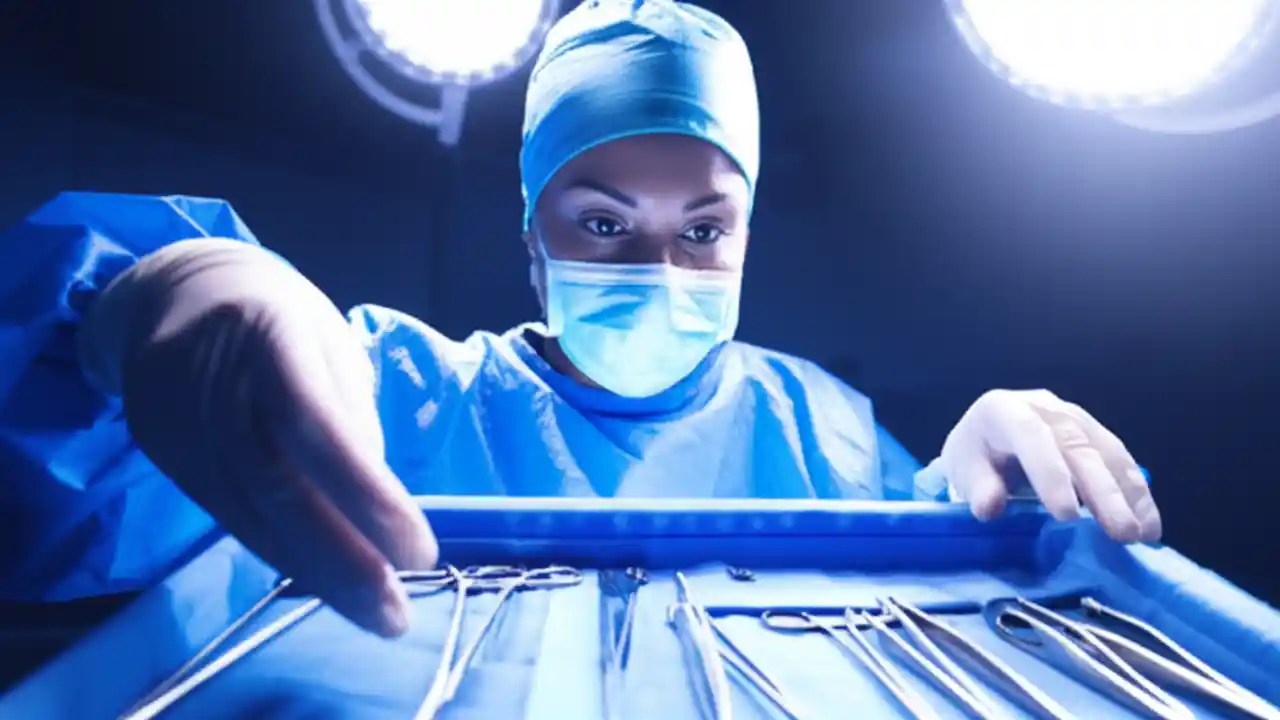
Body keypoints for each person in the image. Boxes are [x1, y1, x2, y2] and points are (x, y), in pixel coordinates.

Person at [0, 0, 1160, 640]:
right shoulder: (388, 391)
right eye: (603, 225)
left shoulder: (824, 427)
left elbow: (925, 625)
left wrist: (977, 502)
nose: (660, 264)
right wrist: (142, 302)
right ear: (529, 242)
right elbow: (56, 513)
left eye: (703, 228)